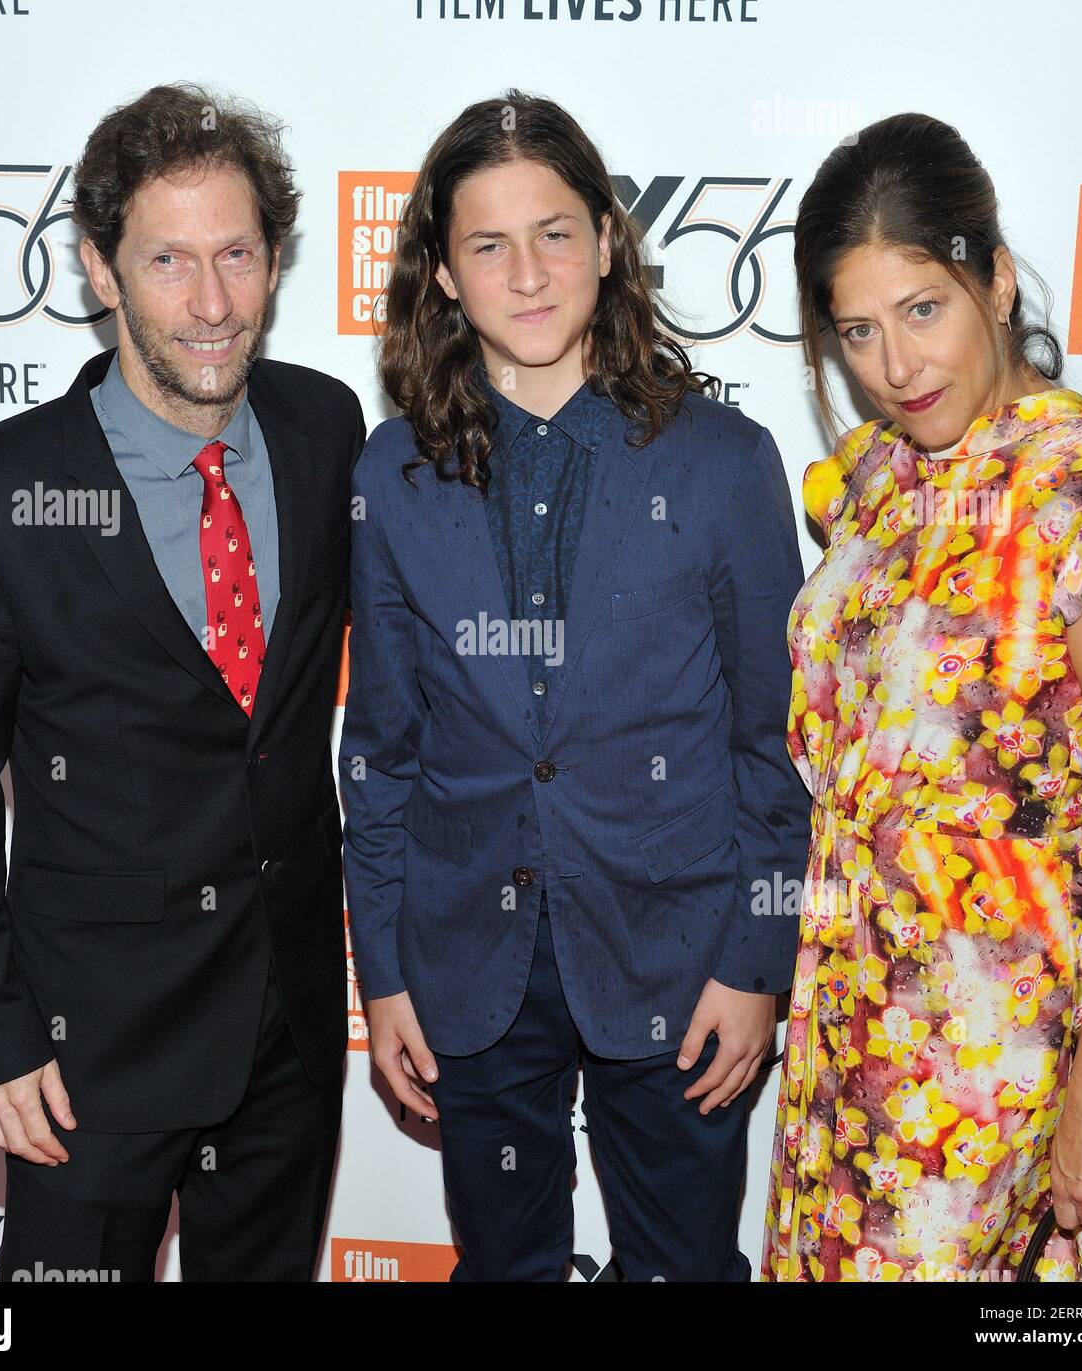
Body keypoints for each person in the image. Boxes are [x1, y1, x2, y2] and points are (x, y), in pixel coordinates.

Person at [338, 89, 810, 1282]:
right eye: (487, 245)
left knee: (684, 1270)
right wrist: (383, 974)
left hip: (679, 959)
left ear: (606, 240)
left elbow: (776, 748)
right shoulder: (392, 476)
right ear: (445, 276)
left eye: (553, 233)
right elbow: (382, 752)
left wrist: (755, 961)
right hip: (468, 961)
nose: (527, 275)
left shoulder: (723, 462)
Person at [0, 83, 362, 1281]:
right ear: (101, 270)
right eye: (168, 261)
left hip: (289, 1030)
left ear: (274, 261)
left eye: (237, 255)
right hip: (86, 1051)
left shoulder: (324, 432)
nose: (211, 304)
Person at [762, 111, 1082, 1282]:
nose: (896, 367)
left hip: (995, 1067)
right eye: (858, 331)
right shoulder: (883, 476)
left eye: (923, 310)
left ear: (994, 279)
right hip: (845, 1034)